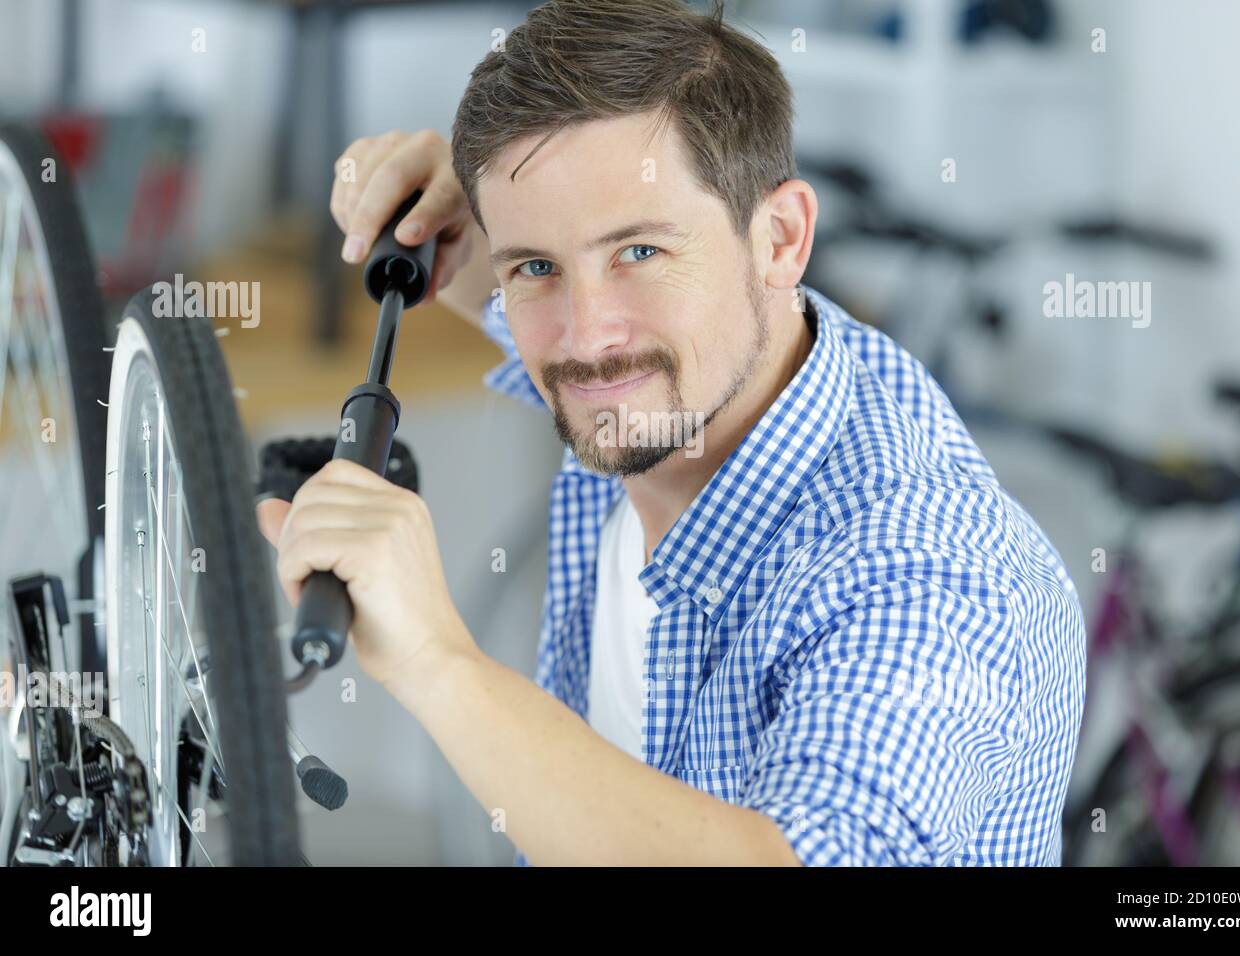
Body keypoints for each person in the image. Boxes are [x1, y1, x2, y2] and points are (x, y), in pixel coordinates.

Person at [256, 0, 1086, 866]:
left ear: (781, 239)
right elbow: (570, 321)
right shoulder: (706, 358)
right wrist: (459, 235)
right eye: (536, 267)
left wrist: (436, 660)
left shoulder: (929, 569)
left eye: (639, 253)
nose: (586, 337)